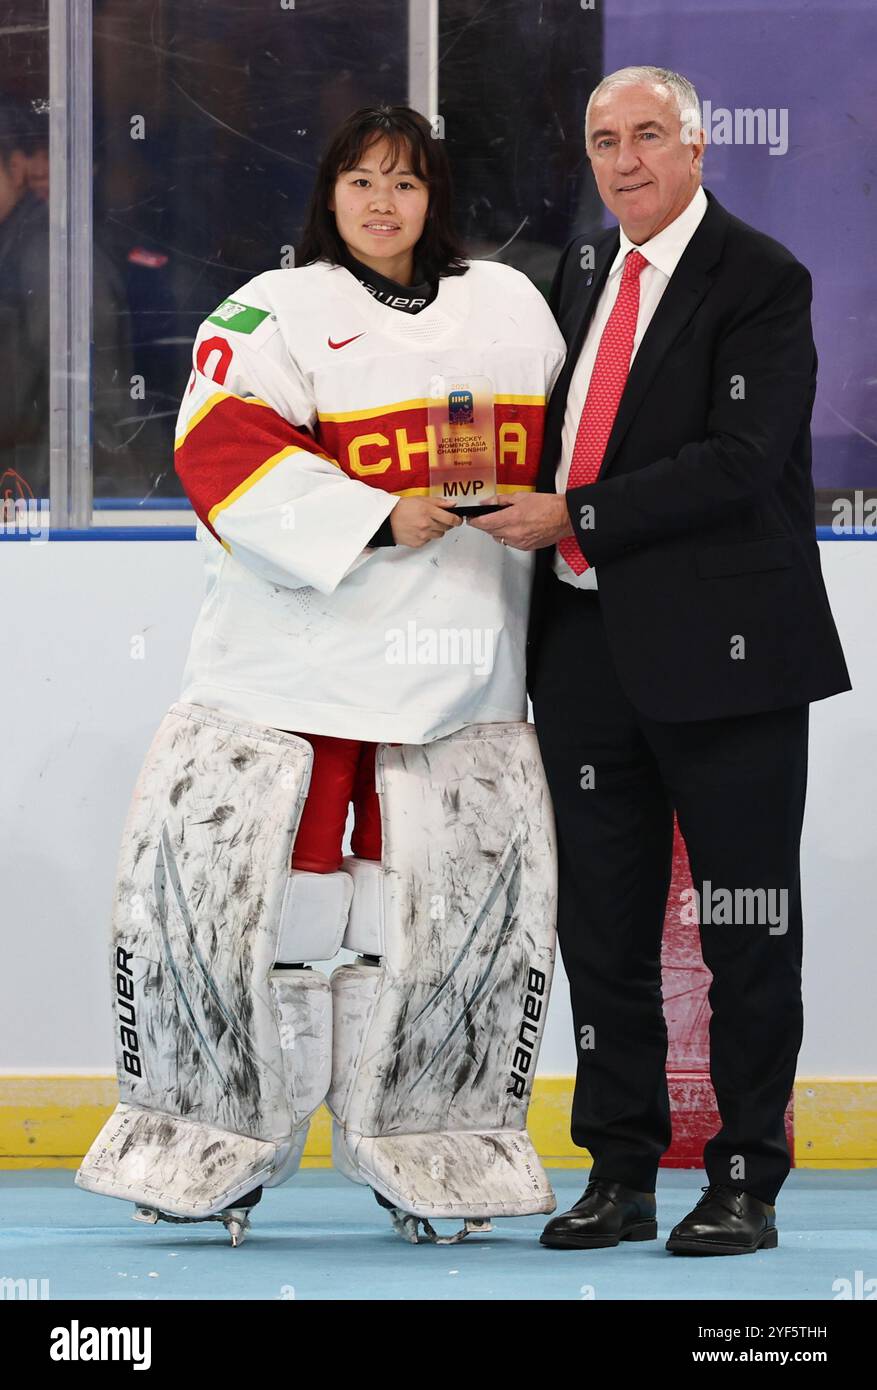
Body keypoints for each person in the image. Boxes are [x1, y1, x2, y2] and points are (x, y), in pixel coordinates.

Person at [469, 66, 851, 1255]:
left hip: (726, 658)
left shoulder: (762, 277)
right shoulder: (584, 272)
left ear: (696, 148)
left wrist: (571, 516)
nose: (622, 160)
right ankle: (620, 1170)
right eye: (600, 141)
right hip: (584, 655)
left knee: (744, 925)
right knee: (606, 934)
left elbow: (739, 459)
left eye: (645, 136)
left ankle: (744, 1178)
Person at [168, 103, 565, 1228]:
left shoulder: (510, 305)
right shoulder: (275, 307)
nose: (382, 203)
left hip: (464, 677)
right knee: (282, 915)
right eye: (359, 181)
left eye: (404, 182)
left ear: (435, 196)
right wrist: (371, 518)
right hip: (301, 675)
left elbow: (575, 447)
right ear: (329, 196)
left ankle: (415, 1135)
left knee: (425, 920)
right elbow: (216, 450)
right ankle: (244, 1132)